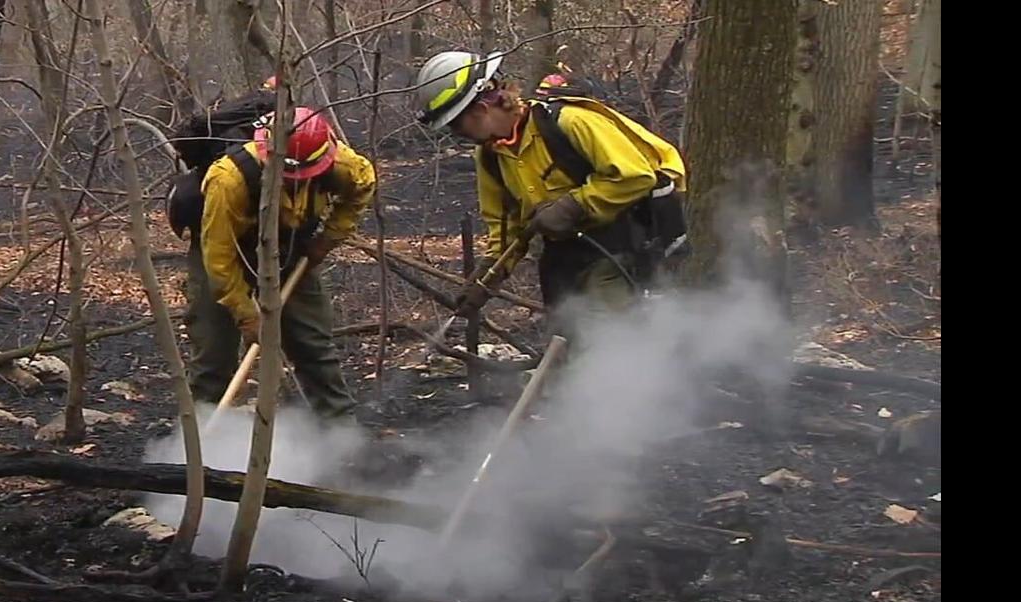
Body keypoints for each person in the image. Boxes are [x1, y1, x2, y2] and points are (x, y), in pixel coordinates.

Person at [412, 50, 689, 334]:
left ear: (481, 109)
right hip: (564, 253)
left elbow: (636, 176)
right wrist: (487, 278)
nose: (457, 134)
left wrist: (573, 206)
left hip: (621, 241)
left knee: (606, 340)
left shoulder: (569, 122)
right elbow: (506, 229)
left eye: (457, 124)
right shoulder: (490, 156)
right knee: (565, 337)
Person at [183, 106, 376, 422]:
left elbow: (363, 185)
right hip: (228, 252)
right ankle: (201, 442)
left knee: (313, 345)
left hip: (290, 248)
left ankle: (340, 432)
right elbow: (218, 259)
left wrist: (327, 239)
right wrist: (246, 315)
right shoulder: (228, 179)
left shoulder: (341, 163)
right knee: (213, 352)